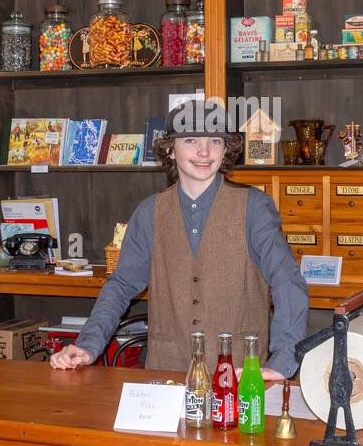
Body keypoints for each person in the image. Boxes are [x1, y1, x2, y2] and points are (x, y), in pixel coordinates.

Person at [51, 99, 307, 379]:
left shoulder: (255, 207)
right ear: (170, 150)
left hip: (237, 370)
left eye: (216, 141)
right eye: (191, 140)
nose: (204, 152)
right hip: (167, 369)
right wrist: (88, 344)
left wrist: (281, 361)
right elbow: (122, 285)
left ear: (226, 149)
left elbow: (287, 282)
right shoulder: (150, 211)